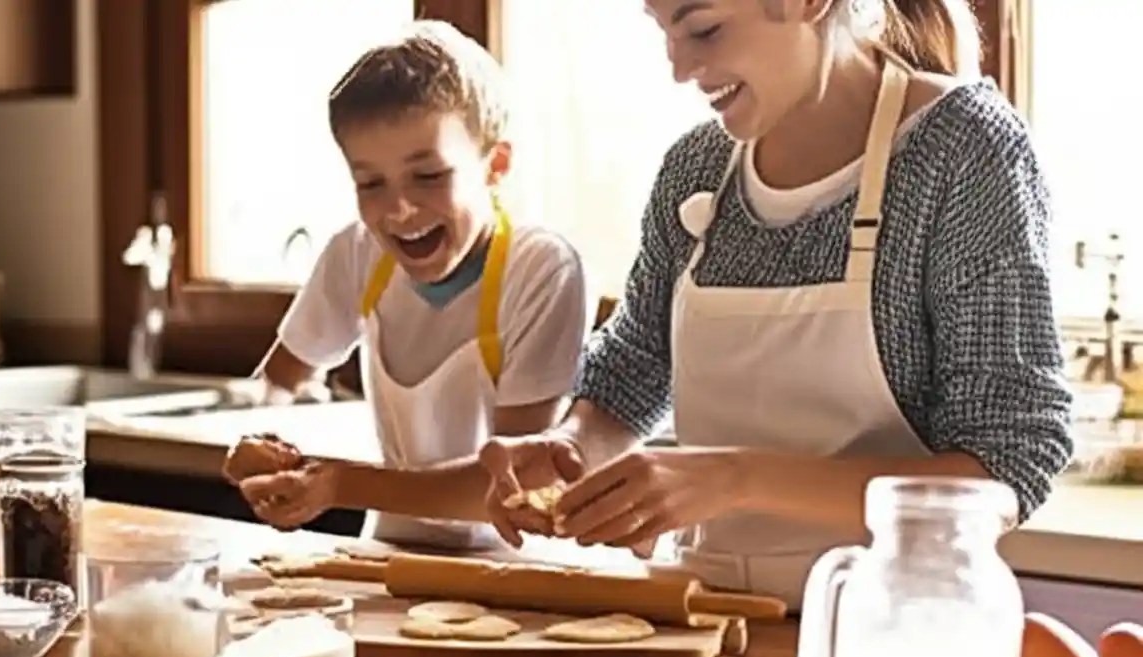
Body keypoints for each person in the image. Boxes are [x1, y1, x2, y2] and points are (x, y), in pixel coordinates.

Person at [480, 0, 1074, 607]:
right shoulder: (697, 169)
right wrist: (571, 449)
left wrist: (734, 479)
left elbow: (1007, 462)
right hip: (703, 618)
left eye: (703, 29)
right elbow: (634, 367)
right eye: (665, 33)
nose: (680, 69)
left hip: (893, 636)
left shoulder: (961, 151)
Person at [222, 20, 593, 551]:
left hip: (513, 559)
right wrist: (255, 447)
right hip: (389, 551)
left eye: (429, 176)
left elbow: (515, 480)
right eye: (370, 183)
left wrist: (342, 484)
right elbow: (276, 382)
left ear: (496, 166)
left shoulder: (541, 270)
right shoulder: (357, 253)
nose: (398, 210)